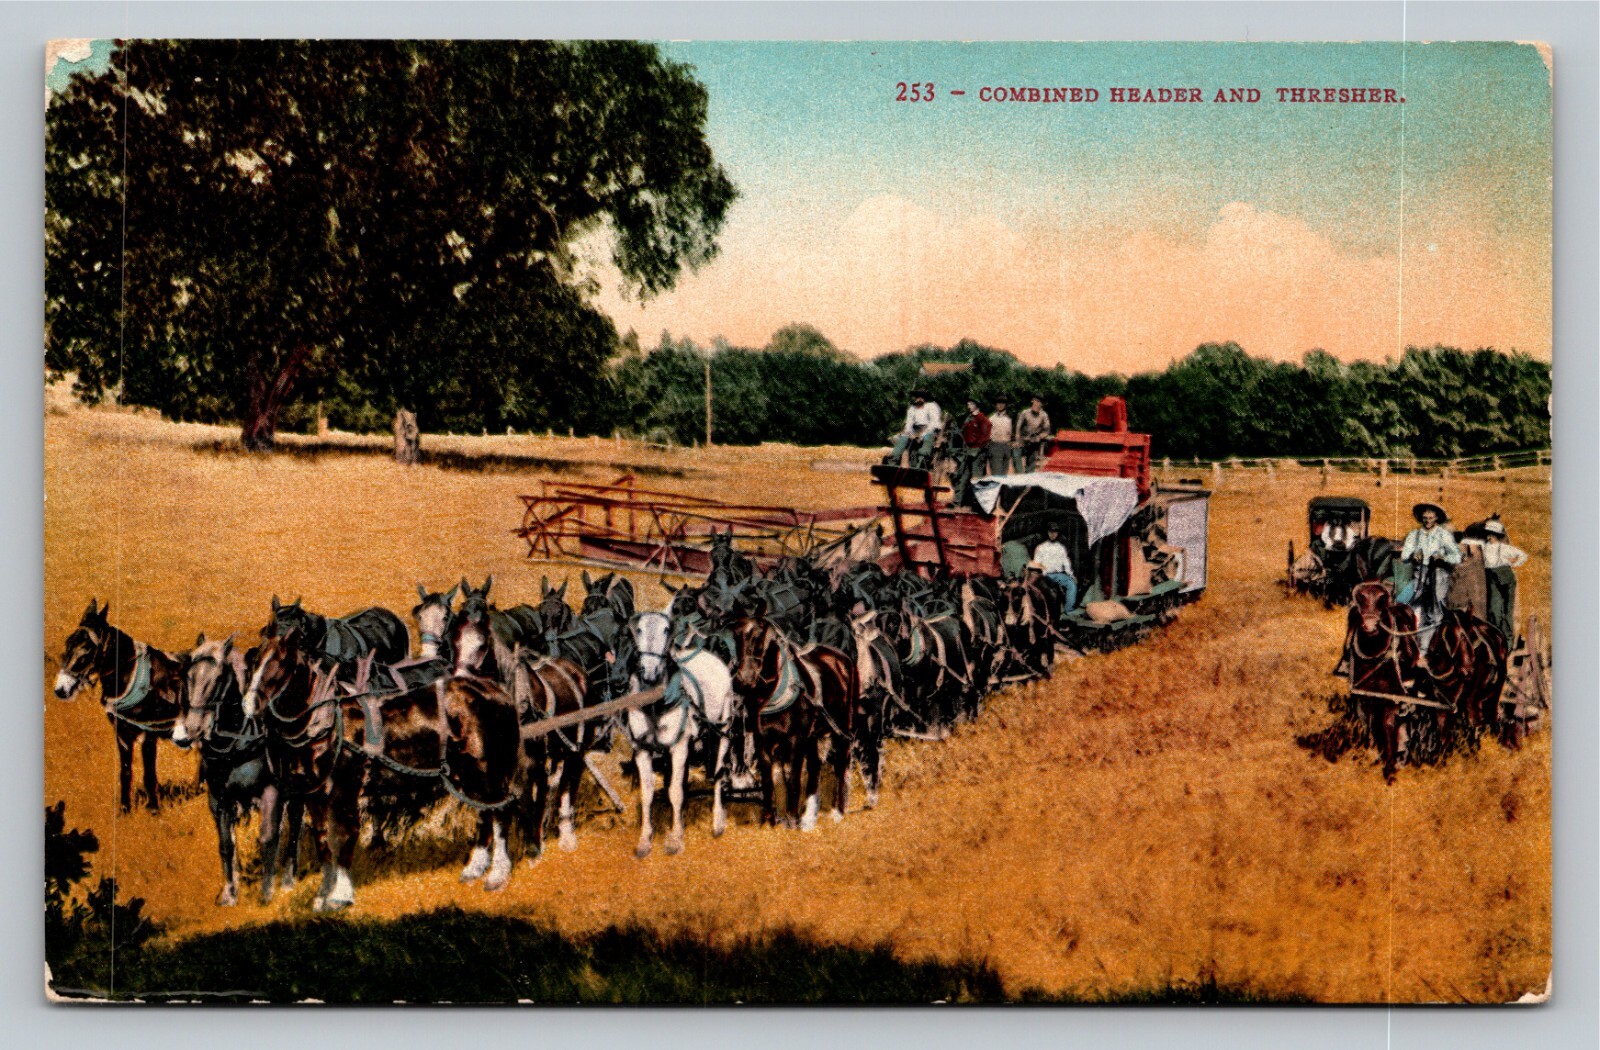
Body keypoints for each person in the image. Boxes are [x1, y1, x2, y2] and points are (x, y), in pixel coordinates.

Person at [1400, 502, 1461, 652]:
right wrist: (1413, 555)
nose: (1427, 520)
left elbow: (1457, 556)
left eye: (1430, 517)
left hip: (1438, 575)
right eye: (1425, 517)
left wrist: (1442, 557)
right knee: (1405, 605)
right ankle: (1410, 645)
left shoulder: (1443, 535)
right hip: (1418, 576)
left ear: (1437, 518)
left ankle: (1428, 648)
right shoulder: (1414, 535)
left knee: (1435, 612)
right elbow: (1404, 555)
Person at [1460, 515, 1527, 643]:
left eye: (1492, 534)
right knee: (1494, 609)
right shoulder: (1484, 546)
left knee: (1507, 609)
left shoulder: (1505, 548)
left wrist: (1514, 564)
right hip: (1491, 575)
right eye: (1488, 534)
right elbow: (1470, 543)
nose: (1489, 537)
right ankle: (1495, 638)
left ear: (1497, 535)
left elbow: (1523, 555)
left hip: (1506, 575)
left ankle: (1508, 640)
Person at [885, 389, 943, 469]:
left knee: (924, 448)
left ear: (925, 398)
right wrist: (910, 434)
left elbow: (934, 423)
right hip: (915, 431)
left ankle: (923, 464)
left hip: (930, 431)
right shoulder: (912, 409)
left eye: (921, 397)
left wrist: (922, 435)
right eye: (917, 397)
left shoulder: (931, 406)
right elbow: (909, 424)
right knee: (902, 440)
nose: (919, 399)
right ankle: (892, 463)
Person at [952, 399, 990, 507]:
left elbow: (985, 437)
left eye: (971, 404)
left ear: (976, 405)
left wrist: (976, 450)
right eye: (968, 404)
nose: (968, 406)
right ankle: (957, 502)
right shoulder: (968, 418)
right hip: (967, 452)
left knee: (977, 479)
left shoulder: (982, 419)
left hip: (978, 454)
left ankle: (977, 505)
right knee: (963, 477)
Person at [1032, 523, 1077, 610]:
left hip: (1058, 575)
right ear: (1047, 533)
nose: (1053, 534)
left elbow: (1066, 562)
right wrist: (1042, 573)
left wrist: (1071, 575)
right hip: (1045, 575)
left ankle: (1069, 609)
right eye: (1051, 532)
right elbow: (1036, 563)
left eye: (1055, 532)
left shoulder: (1061, 548)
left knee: (1072, 584)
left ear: (1058, 533)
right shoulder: (1041, 547)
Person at [1016, 395, 1052, 472]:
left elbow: (1047, 430)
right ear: (1032, 401)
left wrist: (1040, 436)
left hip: (1034, 441)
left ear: (1041, 404)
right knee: (1016, 457)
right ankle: (1019, 476)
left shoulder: (1044, 415)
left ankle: (1028, 477)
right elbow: (1018, 427)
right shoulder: (1025, 413)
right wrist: (1018, 439)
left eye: (1039, 402)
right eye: (1036, 401)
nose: (1037, 404)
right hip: (1022, 440)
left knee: (1031, 463)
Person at [987, 396, 1014, 477]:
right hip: (995, 446)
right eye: (998, 403)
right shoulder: (991, 419)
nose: (1000, 405)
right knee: (996, 473)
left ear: (1005, 405)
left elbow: (1011, 434)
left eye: (1002, 403)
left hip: (1006, 446)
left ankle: (1002, 489)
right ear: (995, 405)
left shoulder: (1009, 419)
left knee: (1004, 473)